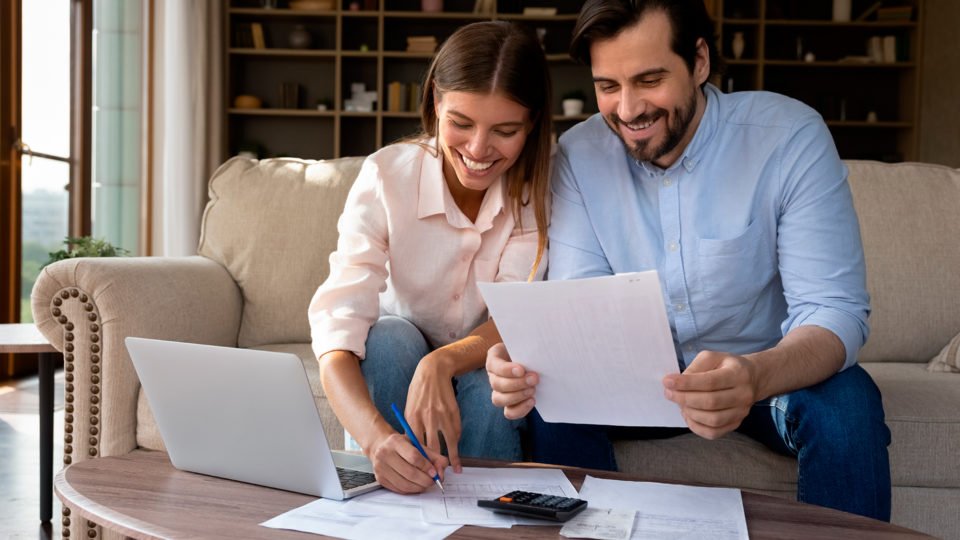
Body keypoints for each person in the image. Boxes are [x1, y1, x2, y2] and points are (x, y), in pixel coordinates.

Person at [485, 0, 892, 521]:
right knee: (553, 403)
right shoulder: (580, 155)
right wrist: (528, 361)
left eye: (649, 80)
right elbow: (581, 307)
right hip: (634, 386)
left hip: (765, 377)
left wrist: (753, 376)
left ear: (699, 61)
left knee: (849, 400)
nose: (628, 110)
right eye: (608, 86)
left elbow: (834, 310)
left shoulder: (788, 137)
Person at [308, 21, 552, 495]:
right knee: (390, 338)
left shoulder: (537, 191)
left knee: (490, 388)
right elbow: (337, 330)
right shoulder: (385, 175)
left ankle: (486, 523)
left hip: (483, 359)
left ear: (532, 124)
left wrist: (440, 363)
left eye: (504, 131)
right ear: (436, 101)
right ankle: (386, 495)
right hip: (396, 355)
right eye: (460, 123)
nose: (478, 151)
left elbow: (514, 314)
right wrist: (376, 440)